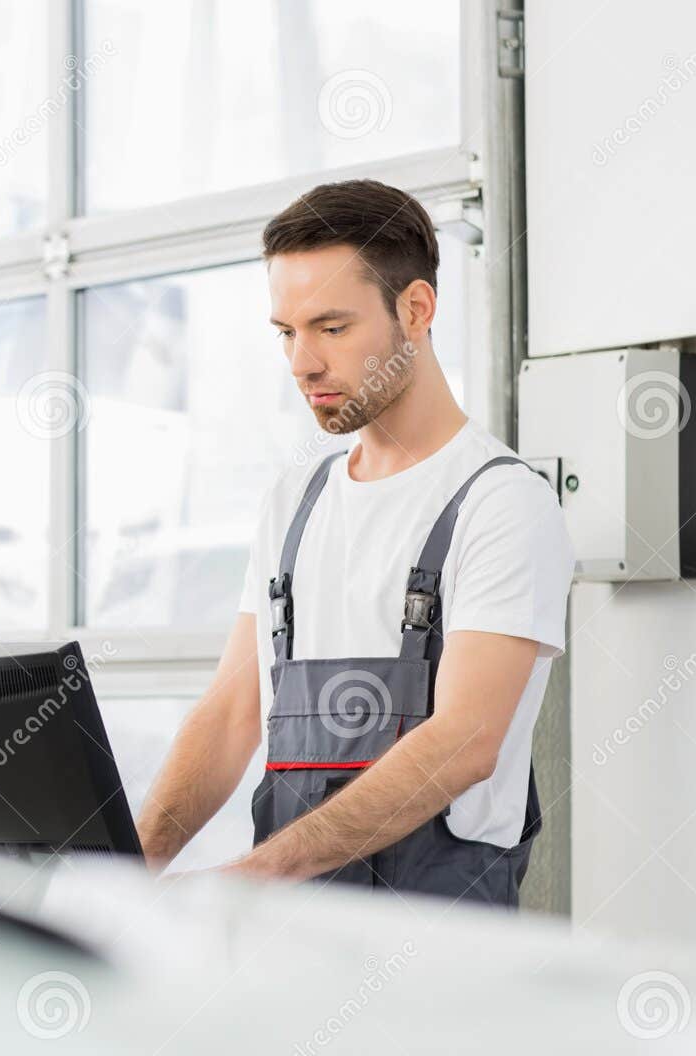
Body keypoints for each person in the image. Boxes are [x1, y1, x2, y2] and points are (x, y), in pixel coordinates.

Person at [134, 178, 574, 907]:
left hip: (437, 945)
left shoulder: (501, 503)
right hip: (287, 932)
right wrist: (125, 870)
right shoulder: (295, 503)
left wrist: (247, 881)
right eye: (286, 332)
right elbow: (231, 714)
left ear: (416, 310)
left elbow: (464, 742)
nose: (301, 363)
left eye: (331, 328)